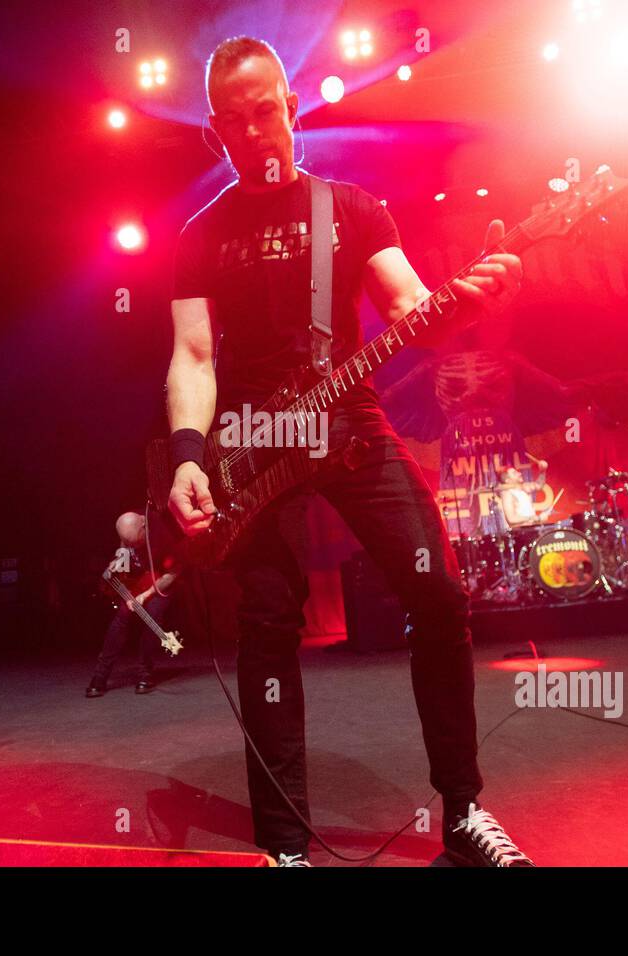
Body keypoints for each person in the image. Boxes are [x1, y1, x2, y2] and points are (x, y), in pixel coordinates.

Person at [163, 36, 534, 867]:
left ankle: (465, 813)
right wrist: (191, 453)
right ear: (216, 133)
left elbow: (412, 309)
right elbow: (193, 356)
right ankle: (285, 851)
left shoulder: (354, 209)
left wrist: (470, 304)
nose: (257, 133)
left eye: (269, 113)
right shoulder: (198, 236)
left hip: (351, 421)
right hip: (254, 442)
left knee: (437, 596)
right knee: (266, 625)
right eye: (236, 122)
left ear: (292, 109)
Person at [87, 512, 176, 697]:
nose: (132, 546)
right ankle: (100, 675)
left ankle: (145, 672)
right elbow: (125, 554)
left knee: (151, 615)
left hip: (161, 581)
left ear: (144, 525)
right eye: (128, 543)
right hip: (140, 580)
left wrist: (146, 595)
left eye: (135, 542)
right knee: (121, 618)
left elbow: (174, 573)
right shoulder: (129, 535)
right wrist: (117, 564)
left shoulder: (164, 535)